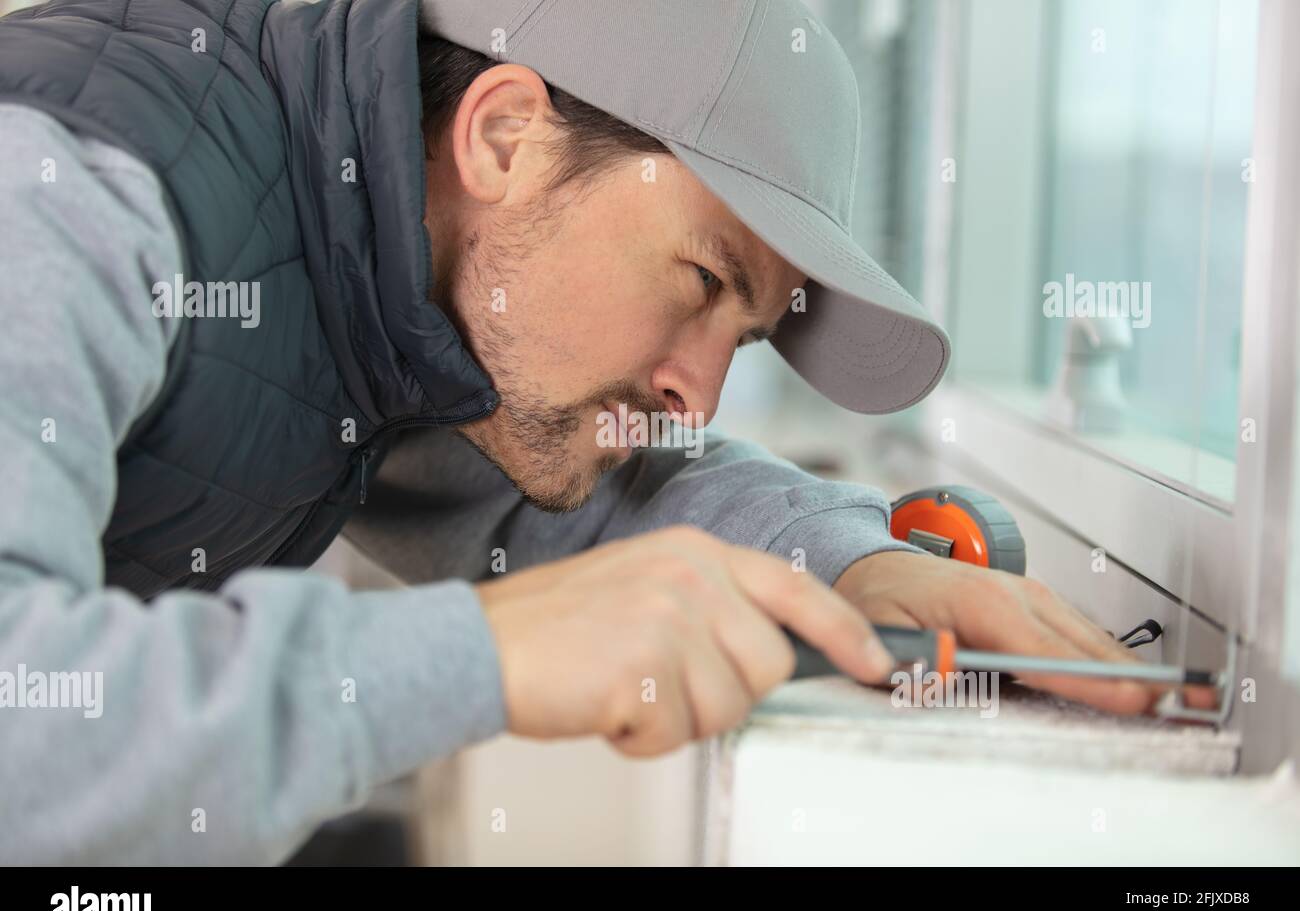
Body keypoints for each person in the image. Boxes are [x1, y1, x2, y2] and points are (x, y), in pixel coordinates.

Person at [0, 0, 1170, 864]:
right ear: (506, 137)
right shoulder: (68, 197)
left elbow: (580, 500)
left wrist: (854, 565)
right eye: (703, 280)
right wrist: (484, 653)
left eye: (744, 335)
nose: (696, 397)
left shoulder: (390, 283)